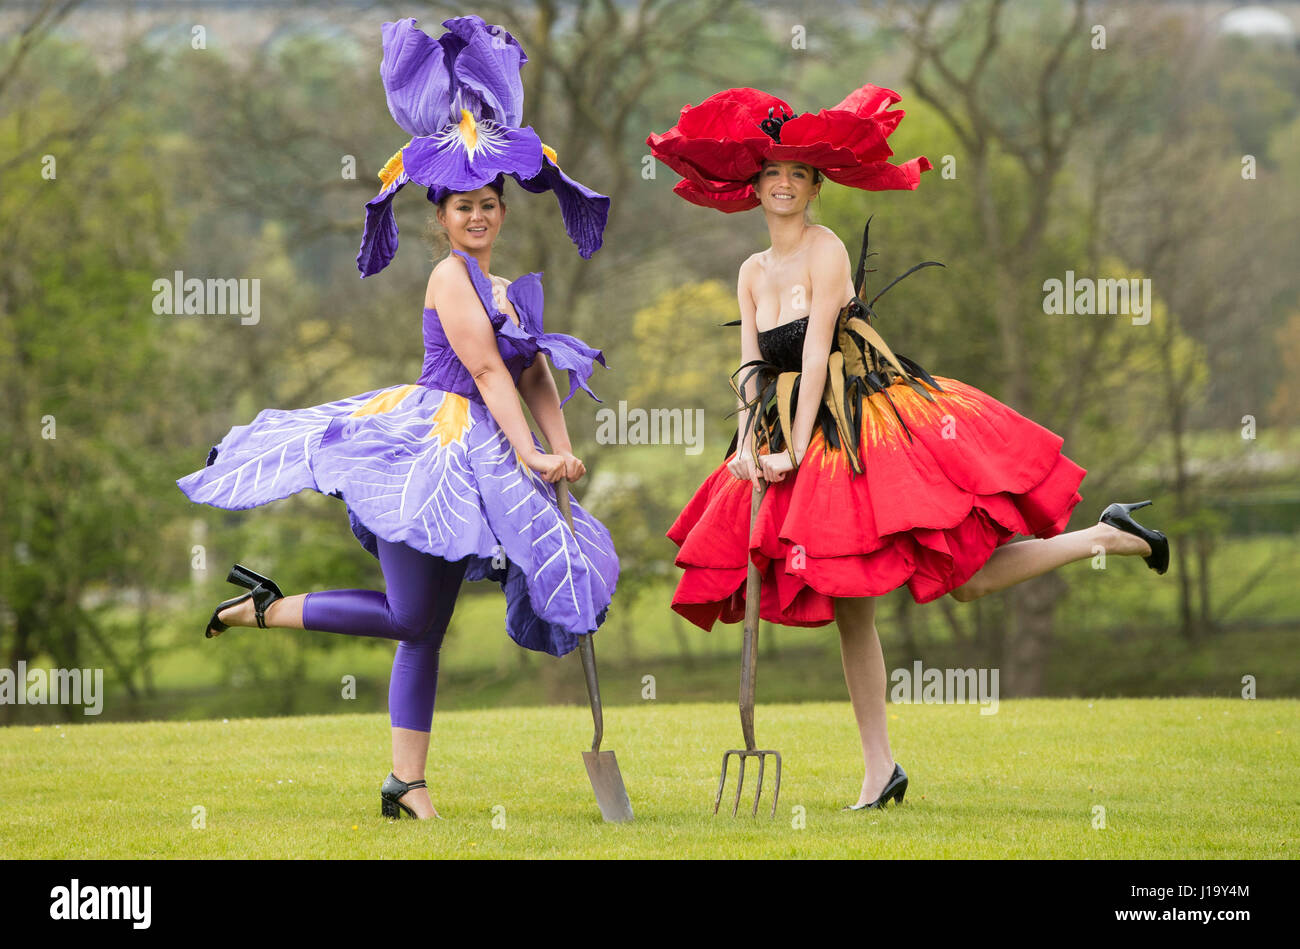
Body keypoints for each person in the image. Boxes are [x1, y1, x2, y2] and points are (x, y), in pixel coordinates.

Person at [647, 85, 1169, 811]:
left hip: (864, 423)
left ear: (816, 184)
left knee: (970, 578)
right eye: (773, 171)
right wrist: (744, 444)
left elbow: (823, 350)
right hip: (788, 427)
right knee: (850, 602)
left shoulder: (825, 252)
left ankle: (1105, 535)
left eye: (799, 172)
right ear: (753, 185)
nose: (785, 183)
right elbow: (751, 368)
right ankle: (880, 768)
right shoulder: (750, 272)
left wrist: (794, 454)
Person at [177, 16, 618, 821]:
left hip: (485, 456)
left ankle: (405, 782)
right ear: (442, 217)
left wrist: (561, 452)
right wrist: (529, 456)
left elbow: (534, 375)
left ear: (502, 211)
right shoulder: (453, 282)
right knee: (414, 614)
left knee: (425, 626)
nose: (478, 218)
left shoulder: (512, 289)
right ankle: (271, 607)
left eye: (489, 205)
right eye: (464, 209)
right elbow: (485, 371)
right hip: (428, 454)